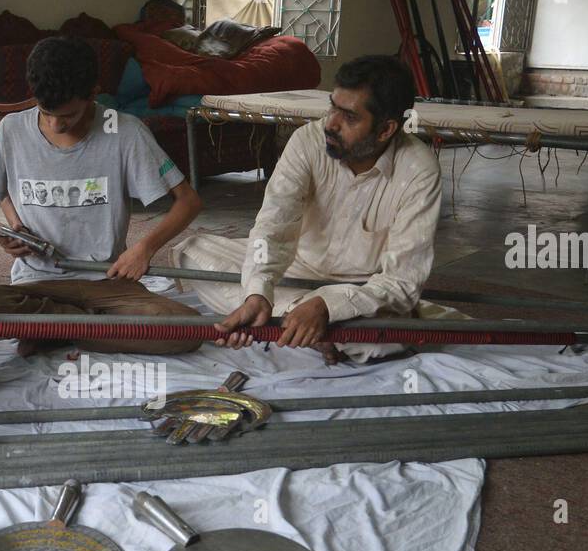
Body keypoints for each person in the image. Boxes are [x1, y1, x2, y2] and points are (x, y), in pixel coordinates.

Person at [170, 54, 447, 364]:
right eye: (333, 107)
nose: (330, 123)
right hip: (296, 269)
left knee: (391, 338)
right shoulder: (307, 141)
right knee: (192, 251)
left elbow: (402, 282)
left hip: (362, 291)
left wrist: (327, 305)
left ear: (385, 130)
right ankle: (309, 328)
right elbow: (273, 226)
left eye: (349, 117)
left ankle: (295, 325)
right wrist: (258, 293)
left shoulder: (419, 169)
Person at [0, 36, 204, 355]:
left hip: (107, 282)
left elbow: (189, 202)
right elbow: (5, 195)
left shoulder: (125, 131)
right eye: (45, 112)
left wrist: (143, 250)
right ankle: (90, 328)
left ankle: (58, 330)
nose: (56, 124)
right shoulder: (11, 130)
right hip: (36, 283)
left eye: (68, 115)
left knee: (187, 330)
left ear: (93, 95)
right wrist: (16, 229)